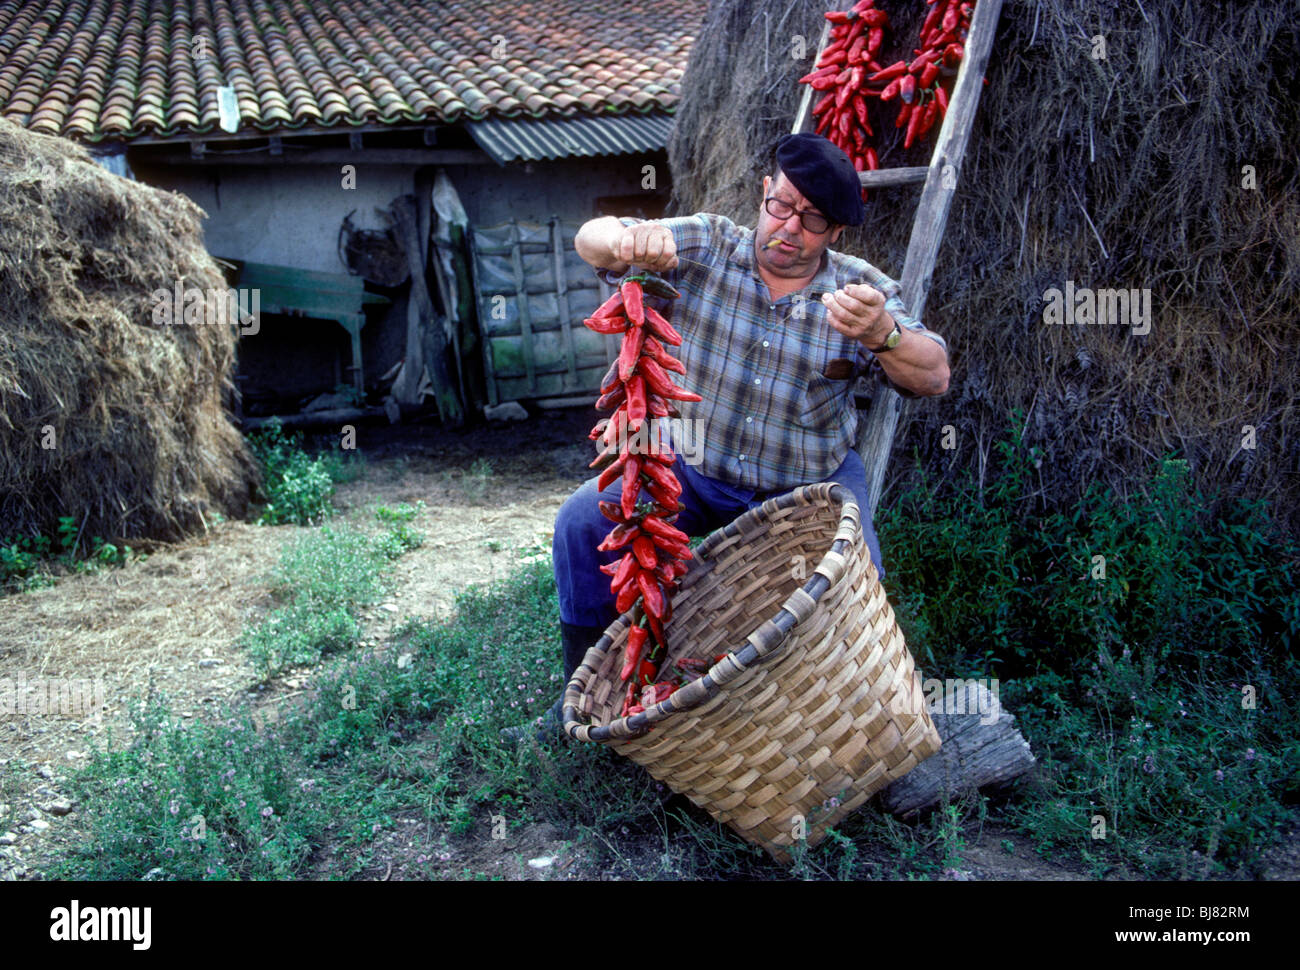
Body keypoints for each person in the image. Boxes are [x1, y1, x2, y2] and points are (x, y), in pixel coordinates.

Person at [504, 132, 949, 742]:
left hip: (807, 480)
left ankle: (852, 727)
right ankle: (588, 691)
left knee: (854, 579)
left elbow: (934, 375)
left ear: (836, 234)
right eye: (782, 206)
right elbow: (593, 240)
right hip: (693, 463)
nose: (790, 228)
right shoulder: (711, 243)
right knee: (583, 522)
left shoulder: (859, 291)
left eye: (813, 220)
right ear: (764, 194)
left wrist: (883, 334)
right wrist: (630, 238)